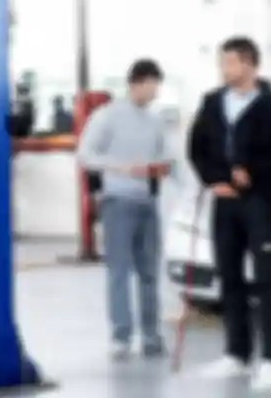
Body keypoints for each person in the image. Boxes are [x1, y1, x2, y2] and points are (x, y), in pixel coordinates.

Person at [187, 36, 271, 393]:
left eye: (231, 63)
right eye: (222, 63)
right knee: (229, 276)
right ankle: (236, 354)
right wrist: (214, 180)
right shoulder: (211, 103)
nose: (224, 70)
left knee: (267, 281)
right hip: (224, 202)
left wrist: (254, 172)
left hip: (261, 202)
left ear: (251, 65)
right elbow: (197, 148)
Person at [77, 59, 173, 359]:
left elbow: (166, 156)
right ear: (138, 82)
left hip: (147, 203)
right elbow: (85, 155)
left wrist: (163, 169)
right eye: (153, 86)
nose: (156, 93)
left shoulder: (154, 120)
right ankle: (121, 336)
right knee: (119, 271)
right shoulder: (106, 117)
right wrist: (120, 168)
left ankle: (151, 335)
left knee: (149, 273)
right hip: (117, 202)